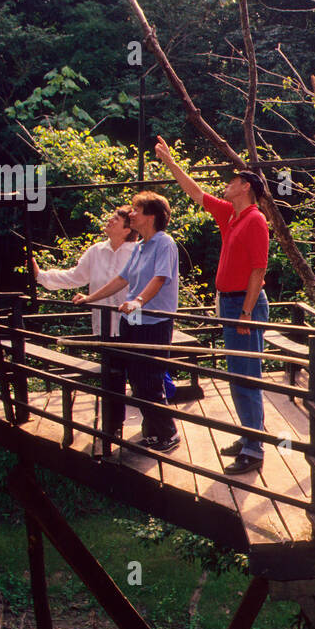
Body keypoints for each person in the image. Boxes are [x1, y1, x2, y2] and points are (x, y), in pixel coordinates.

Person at [155, 137, 270, 476]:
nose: (226, 184)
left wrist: (247, 312)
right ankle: (252, 434)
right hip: (229, 303)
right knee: (239, 374)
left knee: (246, 375)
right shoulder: (231, 216)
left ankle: (253, 448)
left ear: (245, 187)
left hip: (243, 305)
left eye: (232, 180)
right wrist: (171, 163)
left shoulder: (255, 220)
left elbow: (258, 269)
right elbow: (195, 193)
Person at [75, 192, 181, 454]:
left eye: (136, 210)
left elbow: (160, 278)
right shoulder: (141, 246)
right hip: (132, 318)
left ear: (151, 216)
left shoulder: (164, 243)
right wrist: (90, 297)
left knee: (150, 378)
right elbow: (122, 280)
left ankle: (168, 432)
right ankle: (154, 432)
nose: (131, 214)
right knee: (136, 378)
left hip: (154, 320)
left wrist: (139, 301)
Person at [31, 208, 139, 457]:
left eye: (116, 219)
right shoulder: (96, 251)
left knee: (138, 375)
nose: (109, 220)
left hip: (132, 322)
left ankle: (154, 427)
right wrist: (41, 276)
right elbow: (75, 276)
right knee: (111, 377)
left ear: (127, 229)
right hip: (104, 324)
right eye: (110, 216)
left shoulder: (137, 252)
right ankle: (112, 429)